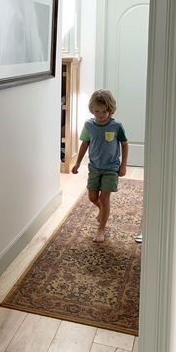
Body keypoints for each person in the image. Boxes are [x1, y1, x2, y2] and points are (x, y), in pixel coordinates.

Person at [71, 89, 128, 243]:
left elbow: (124, 144)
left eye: (104, 111)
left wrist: (123, 165)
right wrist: (77, 162)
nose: (100, 115)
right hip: (94, 167)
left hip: (111, 168)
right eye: (97, 111)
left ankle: (101, 228)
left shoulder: (116, 126)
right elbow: (85, 144)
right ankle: (103, 211)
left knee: (104, 198)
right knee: (92, 197)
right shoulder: (89, 125)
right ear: (92, 109)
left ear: (110, 110)